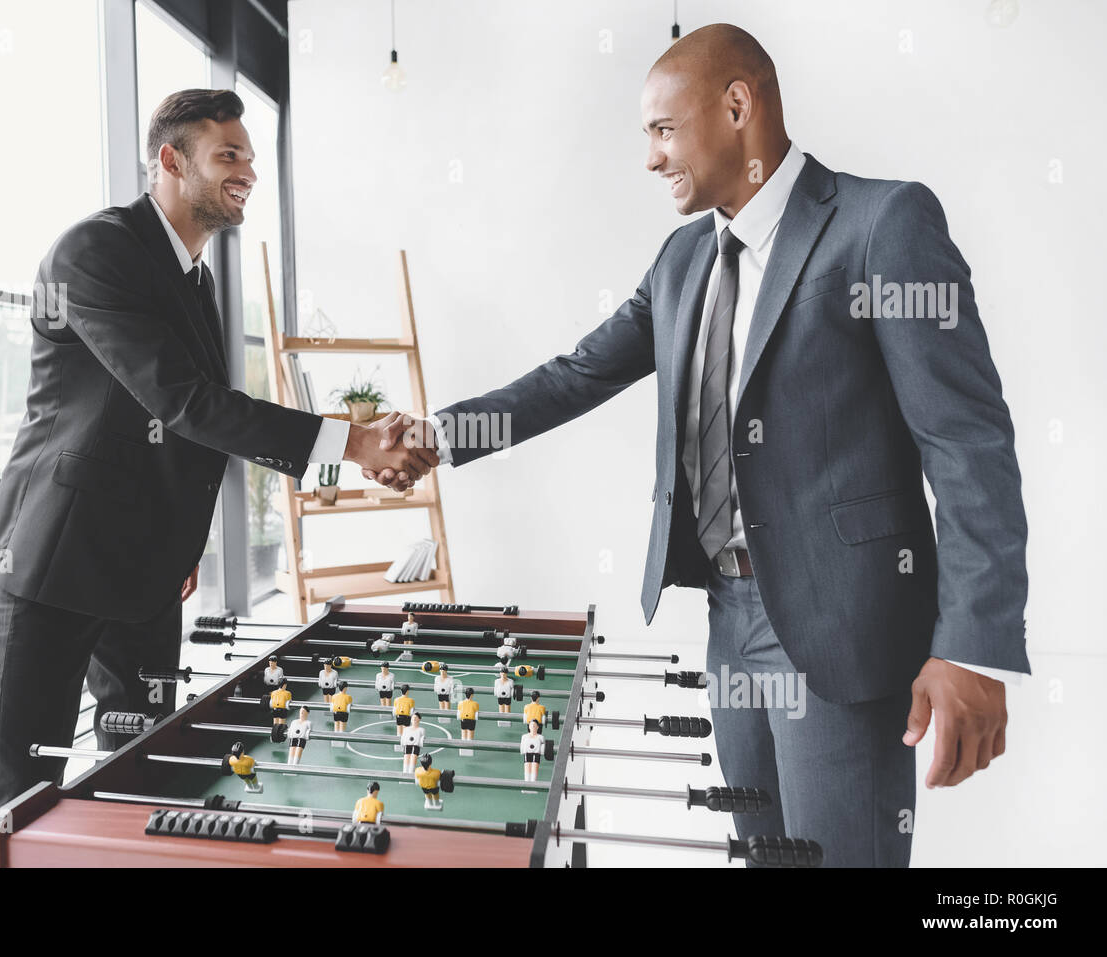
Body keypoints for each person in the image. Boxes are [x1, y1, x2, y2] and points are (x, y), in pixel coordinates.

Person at [363, 24, 1029, 867]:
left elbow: (967, 440)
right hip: (728, 619)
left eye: (661, 130)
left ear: (739, 105)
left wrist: (969, 643)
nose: (649, 159)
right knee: (766, 856)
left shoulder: (880, 223)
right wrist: (438, 436)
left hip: (843, 625)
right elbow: (577, 374)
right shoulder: (682, 260)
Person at [0, 87, 437, 867]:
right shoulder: (94, 251)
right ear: (171, 161)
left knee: (143, 767)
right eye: (229, 154)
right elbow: (185, 404)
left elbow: (186, 436)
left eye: (249, 154)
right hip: (54, 565)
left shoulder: (198, 279)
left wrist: (179, 548)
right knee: (17, 784)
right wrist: (351, 443)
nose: (247, 170)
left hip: (142, 576)